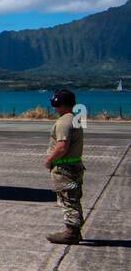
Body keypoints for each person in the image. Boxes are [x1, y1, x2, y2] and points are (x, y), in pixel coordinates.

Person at [44, 89, 85, 244]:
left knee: (67, 199)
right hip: (74, 165)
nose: (55, 108)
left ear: (61, 104)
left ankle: (71, 232)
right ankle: (75, 230)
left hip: (64, 168)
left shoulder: (63, 122)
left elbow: (62, 146)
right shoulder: (74, 119)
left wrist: (50, 159)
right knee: (74, 198)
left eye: (56, 104)